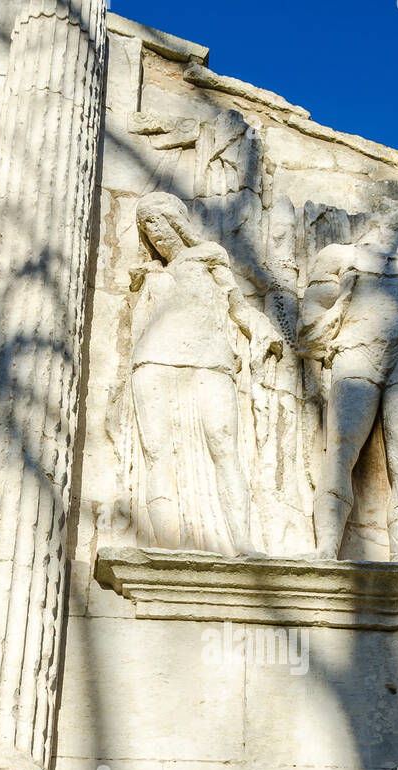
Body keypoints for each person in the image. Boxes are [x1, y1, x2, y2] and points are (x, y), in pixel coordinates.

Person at [297, 201, 398, 561]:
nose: (391, 221)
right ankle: (326, 548)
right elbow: (310, 318)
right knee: (340, 451)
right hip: (355, 350)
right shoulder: (338, 255)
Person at [128, 192, 281, 556]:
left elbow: (237, 306)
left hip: (209, 358)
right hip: (153, 359)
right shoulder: (150, 275)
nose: (155, 233)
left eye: (158, 222)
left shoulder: (209, 256)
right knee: (156, 451)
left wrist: (262, 330)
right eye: (146, 227)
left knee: (224, 444)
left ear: (176, 221)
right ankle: (167, 545)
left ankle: (241, 542)